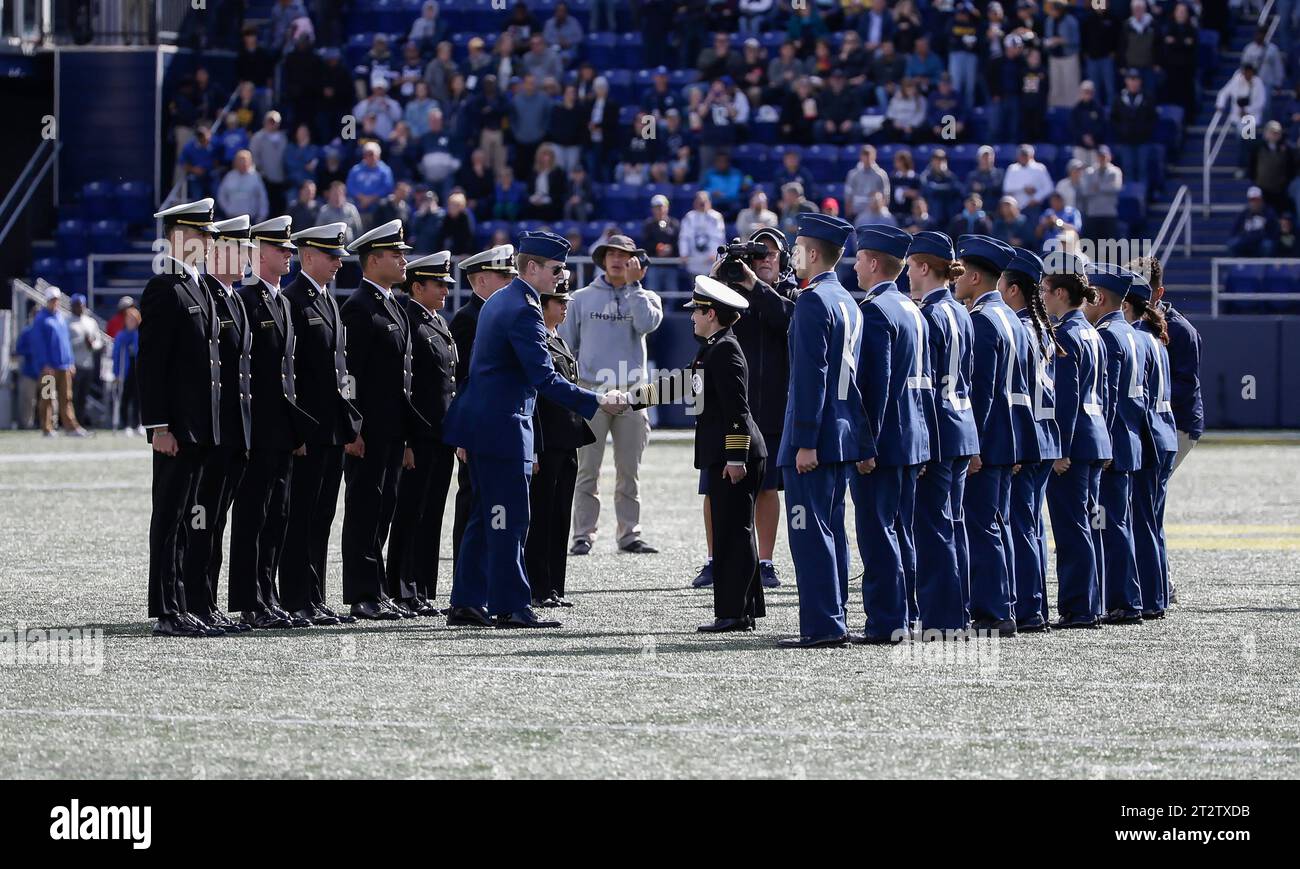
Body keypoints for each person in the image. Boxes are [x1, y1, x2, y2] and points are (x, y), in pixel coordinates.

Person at [442, 231, 627, 629]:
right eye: (556, 269)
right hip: (503, 426)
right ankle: (511, 605)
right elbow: (544, 378)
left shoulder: (501, 300)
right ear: (531, 268)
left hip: (485, 424)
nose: (561, 277)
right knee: (509, 517)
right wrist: (596, 400)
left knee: (483, 515)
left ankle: (468, 601)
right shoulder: (524, 308)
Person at [776, 214, 873, 649]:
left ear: (813, 254)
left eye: (797, 249)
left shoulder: (814, 301)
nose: (792, 256)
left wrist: (804, 441)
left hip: (818, 438)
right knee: (831, 527)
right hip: (843, 432)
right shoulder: (848, 301)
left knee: (809, 532)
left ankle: (823, 625)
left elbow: (811, 377)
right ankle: (835, 616)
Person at [139, 199, 225, 637]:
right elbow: (152, 364)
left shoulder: (200, 287)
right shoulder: (164, 287)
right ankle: (167, 609)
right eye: (202, 234)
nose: (209, 242)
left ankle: (185, 605)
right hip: (176, 427)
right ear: (178, 237)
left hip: (199, 426)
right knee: (170, 517)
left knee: (190, 515)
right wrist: (158, 425)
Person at [696, 227, 798, 590]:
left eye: (771, 253)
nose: (764, 259)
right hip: (725, 407)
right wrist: (717, 277)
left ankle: (765, 561)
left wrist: (756, 286)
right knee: (714, 485)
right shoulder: (727, 292)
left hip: (769, 407)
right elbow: (701, 325)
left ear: (784, 258)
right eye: (757, 254)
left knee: (766, 487)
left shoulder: (789, 293)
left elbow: (789, 322)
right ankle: (714, 559)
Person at [231, 216, 316, 630]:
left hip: (282, 430)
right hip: (258, 428)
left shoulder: (282, 302)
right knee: (253, 515)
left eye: (289, 250)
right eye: (280, 250)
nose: (288, 255)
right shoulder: (249, 300)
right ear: (258, 253)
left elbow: (287, 374)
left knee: (277, 516)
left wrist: (295, 429)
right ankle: (249, 600)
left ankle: (268, 595)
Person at [849, 224, 932, 644]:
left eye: (861, 258)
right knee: (902, 530)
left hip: (885, 442)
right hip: (912, 439)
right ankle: (908, 613)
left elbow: (874, 386)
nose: (856, 264)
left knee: (878, 532)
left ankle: (886, 621)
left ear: (876, 262)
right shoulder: (912, 308)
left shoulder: (876, 311)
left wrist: (866, 444)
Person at [279, 222, 364, 626]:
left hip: (331, 429)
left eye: (339, 258)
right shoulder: (293, 299)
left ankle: (314, 595)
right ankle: (295, 596)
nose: (337, 264)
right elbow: (288, 372)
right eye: (331, 257)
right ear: (307, 256)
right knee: (300, 517)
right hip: (308, 430)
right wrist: (294, 427)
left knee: (321, 516)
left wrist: (350, 421)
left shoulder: (328, 300)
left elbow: (341, 370)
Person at [672, 277, 768, 632]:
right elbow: (682, 383)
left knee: (732, 534)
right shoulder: (713, 346)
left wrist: (735, 458)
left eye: (696, 311)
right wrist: (632, 399)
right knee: (734, 532)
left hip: (736, 455)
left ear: (710, 313)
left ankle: (733, 613)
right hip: (728, 454)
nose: (692, 318)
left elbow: (737, 411)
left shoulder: (724, 350)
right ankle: (741, 609)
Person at [340, 219, 424, 620]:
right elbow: (349, 375)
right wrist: (352, 426)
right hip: (368, 431)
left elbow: (402, 378)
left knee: (384, 507)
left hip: (392, 430)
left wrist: (406, 436)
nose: (404, 260)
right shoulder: (358, 307)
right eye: (396, 254)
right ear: (373, 261)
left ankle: (378, 589)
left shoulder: (393, 304)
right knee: (364, 508)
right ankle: (362, 592)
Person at [562, 235, 665, 555]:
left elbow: (647, 324)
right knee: (586, 470)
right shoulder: (579, 299)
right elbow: (566, 346)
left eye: (625, 255)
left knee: (629, 471)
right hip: (592, 392)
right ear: (602, 259)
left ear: (636, 261)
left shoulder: (647, 296)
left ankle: (629, 534)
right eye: (611, 254)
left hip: (635, 393)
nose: (617, 260)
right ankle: (582, 534)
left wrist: (634, 288)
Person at [180, 216, 255, 636]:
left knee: (216, 520)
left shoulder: (234, 298)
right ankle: (195, 600)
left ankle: (206, 602)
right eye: (239, 247)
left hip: (233, 432)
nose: (246, 256)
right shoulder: (206, 292)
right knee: (201, 519)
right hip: (212, 430)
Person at [906, 231, 978, 635]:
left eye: (912, 265)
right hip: (962, 427)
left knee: (933, 528)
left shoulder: (929, 315)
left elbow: (925, 383)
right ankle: (958, 610)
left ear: (922, 267)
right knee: (954, 523)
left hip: (938, 429)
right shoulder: (962, 313)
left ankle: (942, 617)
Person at [953, 235, 1020, 637]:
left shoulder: (981, 319)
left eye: (963, 271)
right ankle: (1005, 603)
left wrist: (973, 444)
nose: (957, 277)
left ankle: (993, 610)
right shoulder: (1010, 317)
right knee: (995, 523)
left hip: (988, 438)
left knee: (981, 526)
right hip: (1008, 435)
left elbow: (982, 390)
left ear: (976, 277)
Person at [1041, 253, 1112, 628]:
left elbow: (1066, 398)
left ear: (1060, 294)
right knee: (1090, 524)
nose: (1042, 296)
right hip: (1096, 438)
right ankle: (1091, 602)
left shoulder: (1066, 334)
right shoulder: (1092, 332)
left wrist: (1060, 449)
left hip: (1076, 443)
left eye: (1046, 290)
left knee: (1072, 529)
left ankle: (1078, 607)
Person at [386, 252, 458, 617]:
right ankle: (401, 586)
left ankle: (422, 587)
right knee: (410, 513)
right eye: (439, 284)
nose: (446, 290)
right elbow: (409, 388)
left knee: (430, 514)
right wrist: (409, 440)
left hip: (441, 435)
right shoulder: (408, 321)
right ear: (417, 287)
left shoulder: (437, 322)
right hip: (420, 435)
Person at [525, 269, 596, 609]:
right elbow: (537, 399)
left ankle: (555, 585)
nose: (565, 306)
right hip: (547, 441)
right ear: (544, 304)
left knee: (560, 516)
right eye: (559, 301)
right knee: (541, 517)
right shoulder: (538, 339)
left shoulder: (560, 340)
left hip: (567, 439)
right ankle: (538, 586)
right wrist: (535, 447)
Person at [1000, 247, 1061, 633]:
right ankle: (1034, 602)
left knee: (1021, 524)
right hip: (1045, 435)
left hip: (1027, 435)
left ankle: (1027, 606)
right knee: (1032, 525)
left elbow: (1014, 391)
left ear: (1015, 290)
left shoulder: (1018, 327)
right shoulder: (1041, 327)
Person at [1085, 263, 1147, 625]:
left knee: (1108, 523)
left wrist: (1104, 445)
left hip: (1114, 442)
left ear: (1102, 297)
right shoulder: (1131, 334)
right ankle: (1126, 596)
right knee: (1115, 522)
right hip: (1130, 439)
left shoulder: (1108, 335)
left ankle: (1122, 599)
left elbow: (1106, 398)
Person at [448, 244, 517, 571]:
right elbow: (462, 380)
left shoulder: (501, 314)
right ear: (480, 280)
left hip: (498, 425)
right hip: (479, 428)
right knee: (474, 504)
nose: (509, 282)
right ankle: (467, 580)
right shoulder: (468, 318)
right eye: (503, 276)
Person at [1124, 270, 1177, 620]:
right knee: (1152, 523)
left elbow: (1133, 400)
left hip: (1149, 438)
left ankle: (1150, 597)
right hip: (1164, 435)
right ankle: (1157, 593)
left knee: (1142, 522)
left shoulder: (1138, 338)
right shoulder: (1154, 338)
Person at [32, 288, 87, 437]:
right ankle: (47, 427)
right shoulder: (41, 319)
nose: (55, 303)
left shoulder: (61, 317)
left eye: (56, 300)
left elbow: (65, 343)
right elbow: (39, 344)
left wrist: (70, 362)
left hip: (63, 366)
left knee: (66, 397)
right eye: (52, 300)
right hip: (49, 368)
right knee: (47, 397)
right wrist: (44, 363)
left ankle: (70, 427)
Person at [66, 294, 103, 428]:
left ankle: (80, 422)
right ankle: (70, 423)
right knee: (72, 396)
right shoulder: (67, 321)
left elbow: (98, 341)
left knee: (83, 397)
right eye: (76, 305)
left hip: (88, 364)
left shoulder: (90, 322)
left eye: (81, 305)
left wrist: (92, 345)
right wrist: (82, 342)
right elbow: (65, 344)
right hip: (74, 364)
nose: (79, 308)